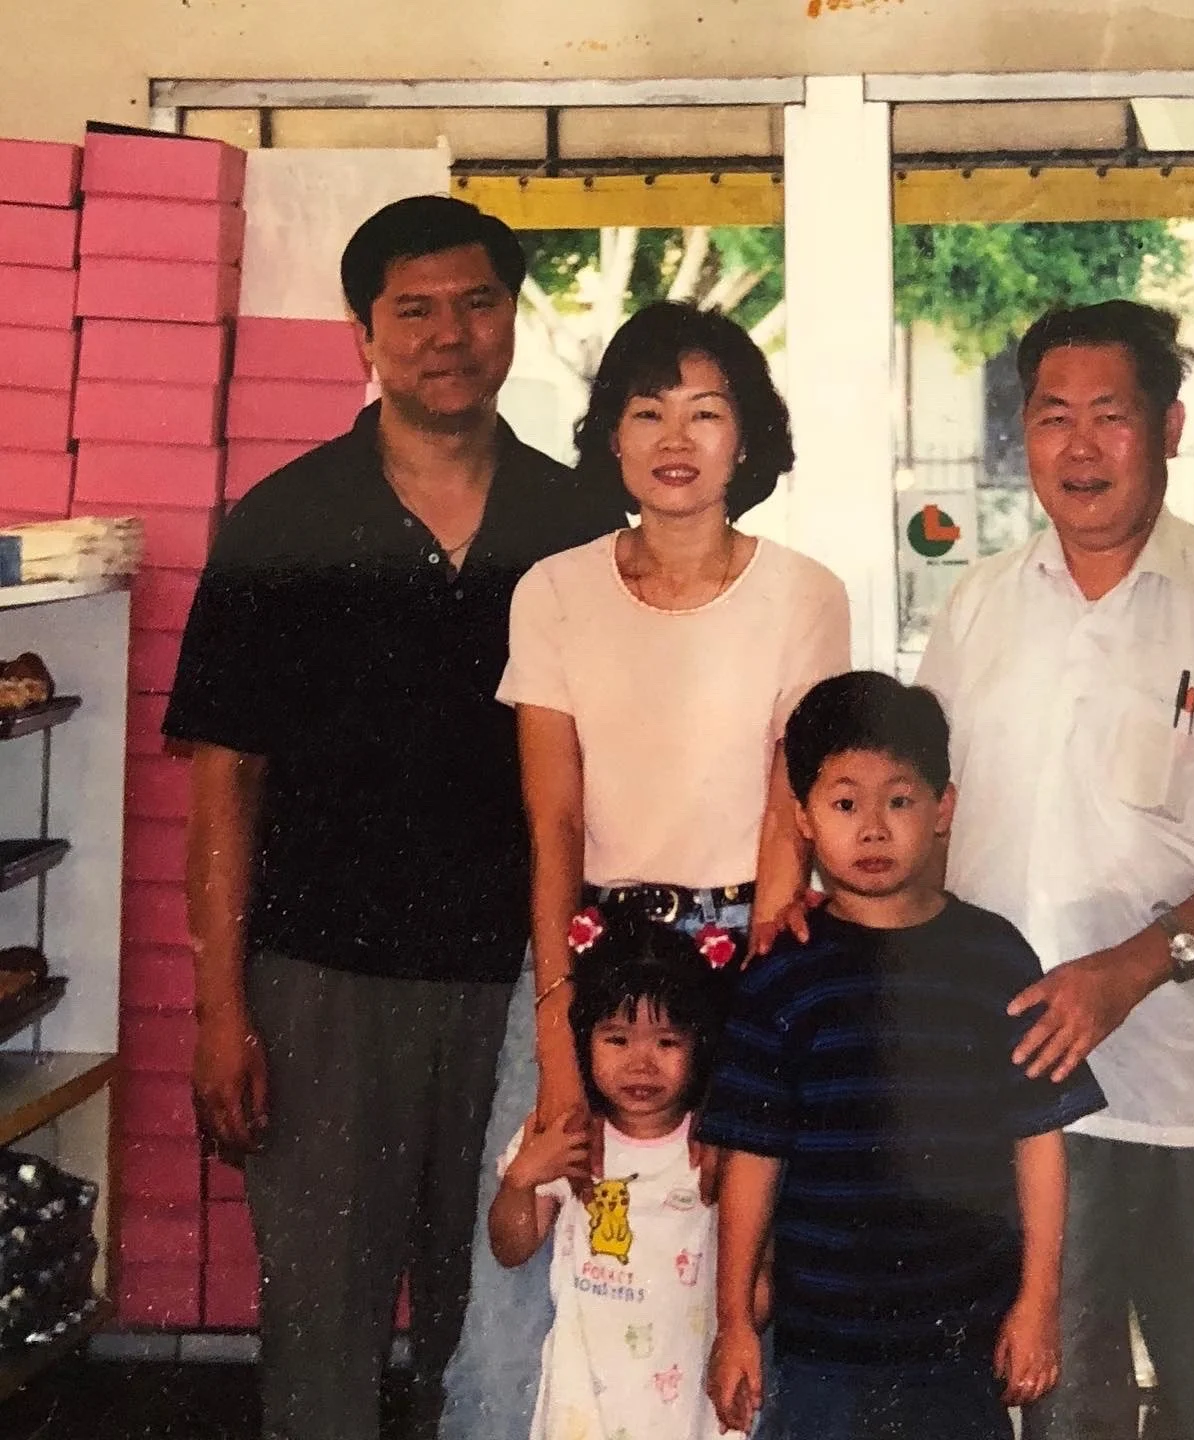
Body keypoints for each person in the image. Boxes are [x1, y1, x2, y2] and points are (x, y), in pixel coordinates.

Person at [164, 195, 624, 1440]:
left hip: (523, 990)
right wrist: (221, 1013)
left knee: (509, 1320)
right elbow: (224, 787)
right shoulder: (283, 523)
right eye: (412, 309)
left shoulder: (578, 525)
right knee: (323, 1324)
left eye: (477, 303)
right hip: (322, 989)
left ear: (513, 319)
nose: (448, 335)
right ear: (364, 331)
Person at [915, 299, 1194, 1440]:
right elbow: (930, 819)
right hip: (1030, 1101)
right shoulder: (978, 609)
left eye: (1109, 416)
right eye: (1052, 416)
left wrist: (1138, 965)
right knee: (1059, 1408)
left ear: (1169, 427)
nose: (1078, 445)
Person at [441, 301, 851, 1439]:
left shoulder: (805, 596)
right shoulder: (555, 591)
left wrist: (748, 1060)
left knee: (733, 1282)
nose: (677, 436)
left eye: (708, 412)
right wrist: (560, 1050)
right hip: (588, 968)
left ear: (747, 438)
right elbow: (554, 824)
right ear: (610, 439)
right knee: (525, 1278)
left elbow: (787, 828)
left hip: (742, 968)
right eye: (648, 410)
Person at [702, 671, 1106, 1440]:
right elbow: (751, 1159)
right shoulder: (782, 971)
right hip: (819, 1357)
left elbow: (1040, 1143)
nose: (875, 829)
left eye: (901, 800)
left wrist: (1038, 1302)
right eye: (845, 804)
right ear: (804, 819)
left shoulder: (995, 958)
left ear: (943, 808)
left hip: (959, 1351)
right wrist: (734, 1324)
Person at [490, 911, 757, 1440]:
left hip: (687, 1409)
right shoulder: (568, 1139)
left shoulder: (715, 1151)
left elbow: (758, 1288)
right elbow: (511, 1248)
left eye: (666, 1043)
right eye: (616, 1039)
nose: (641, 1064)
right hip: (583, 1411)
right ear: (585, 1042)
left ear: (699, 1048)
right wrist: (521, 1179)